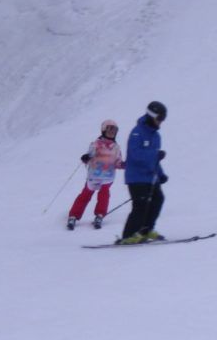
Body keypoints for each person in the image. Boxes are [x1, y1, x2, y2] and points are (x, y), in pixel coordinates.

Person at [115, 101, 169, 244]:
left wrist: (161, 174)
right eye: (160, 119)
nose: (161, 122)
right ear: (153, 116)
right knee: (140, 206)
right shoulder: (137, 132)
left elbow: (155, 159)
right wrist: (155, 155)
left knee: (158, 200)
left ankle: (146, 230)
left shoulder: (156, 136)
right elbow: (135, 154)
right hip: (136, 177)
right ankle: (128, 235)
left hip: (151, 177)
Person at [67, 120, 123, 230]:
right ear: (103, 130)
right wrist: (86, 158)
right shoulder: (96, 144)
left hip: (107, 176)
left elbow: (118, 162)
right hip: (94, 175)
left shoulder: (116, 147)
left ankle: (100, 214)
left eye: (114, 130)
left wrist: (124, 165)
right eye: (110, 129)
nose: (112, 132)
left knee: (104, 195)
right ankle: (74, 215)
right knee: (85, 195)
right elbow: (90, 156)